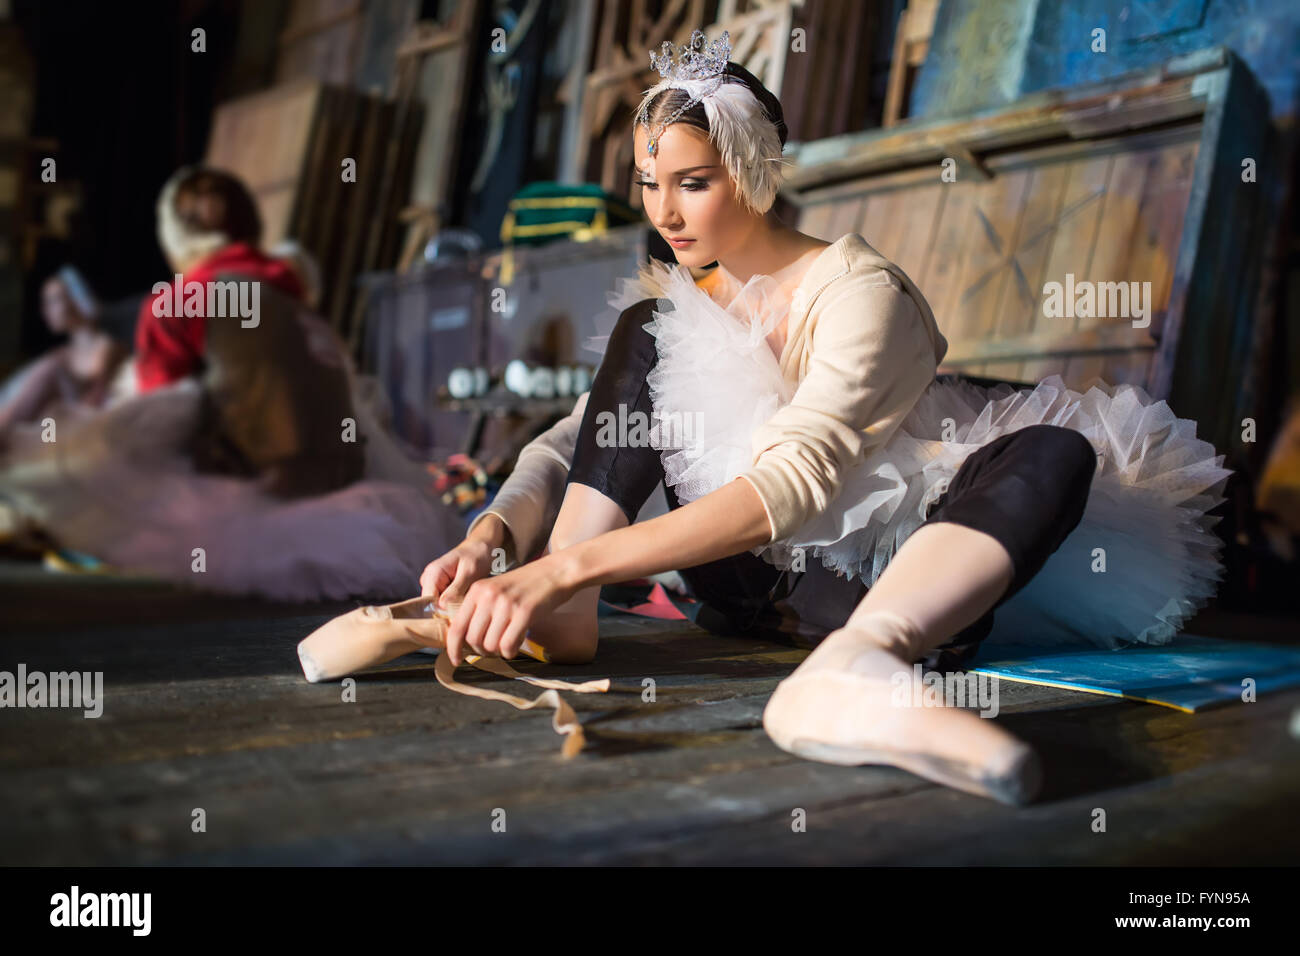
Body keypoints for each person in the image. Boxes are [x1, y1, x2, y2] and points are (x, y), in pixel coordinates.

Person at [416, 31, 1233, 803]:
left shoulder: (863, 294)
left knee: (1058, 452)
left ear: (754, 171)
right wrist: (493, 540)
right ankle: (559, 617)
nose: (665, 213)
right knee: (647, 328)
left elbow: (795, 484)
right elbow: (572, 444)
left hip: (848, 587)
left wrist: (562, 567)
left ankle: (858, 666)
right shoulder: (683, 300)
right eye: (650, 184)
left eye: (693, 184)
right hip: (736, 584)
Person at [0, 167, 463, 600]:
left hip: (268, 496)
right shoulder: (292, 297)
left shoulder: (179, 300)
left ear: (173, 239)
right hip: (343, 479)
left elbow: (152, 427)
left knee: (58, 470)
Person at [0, 266, 128, 437]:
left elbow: (96, 403)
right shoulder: (62, 354)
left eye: (54, 300)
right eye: (45, 302)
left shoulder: (107, 347)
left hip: (78, 423)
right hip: (45, 421)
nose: (45, 310)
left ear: (77, 299)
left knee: (51, 369)